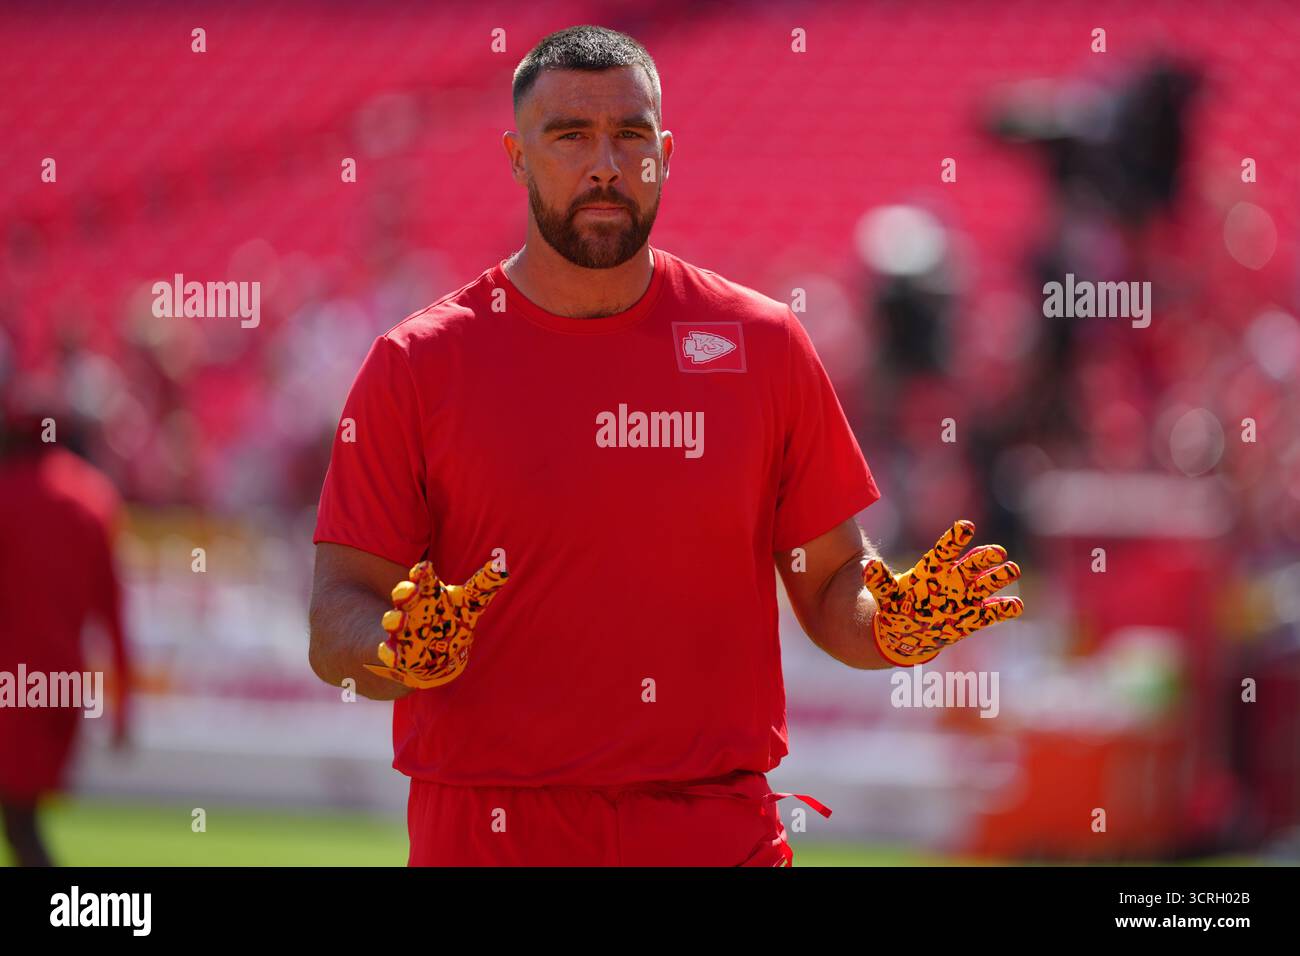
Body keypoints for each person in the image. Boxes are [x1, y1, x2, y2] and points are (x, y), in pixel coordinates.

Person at [308, 25, 1023, 866]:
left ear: (666, 152)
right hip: (490, 831)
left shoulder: (762, 344)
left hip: (711, 829)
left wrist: (892, 625)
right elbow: (336, 620)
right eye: (570, 136)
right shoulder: (417, 365)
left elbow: (832, 584)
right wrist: (397, 647)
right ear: (515, 156)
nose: (605, 163)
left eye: (631, 135)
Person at [0, 409, 132, 866]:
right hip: (62, 686)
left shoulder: (7, 494)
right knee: (23, 822)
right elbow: (114, 615)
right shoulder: (95, 497)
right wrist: (123, 707)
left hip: (10, 682)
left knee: (21, 826)